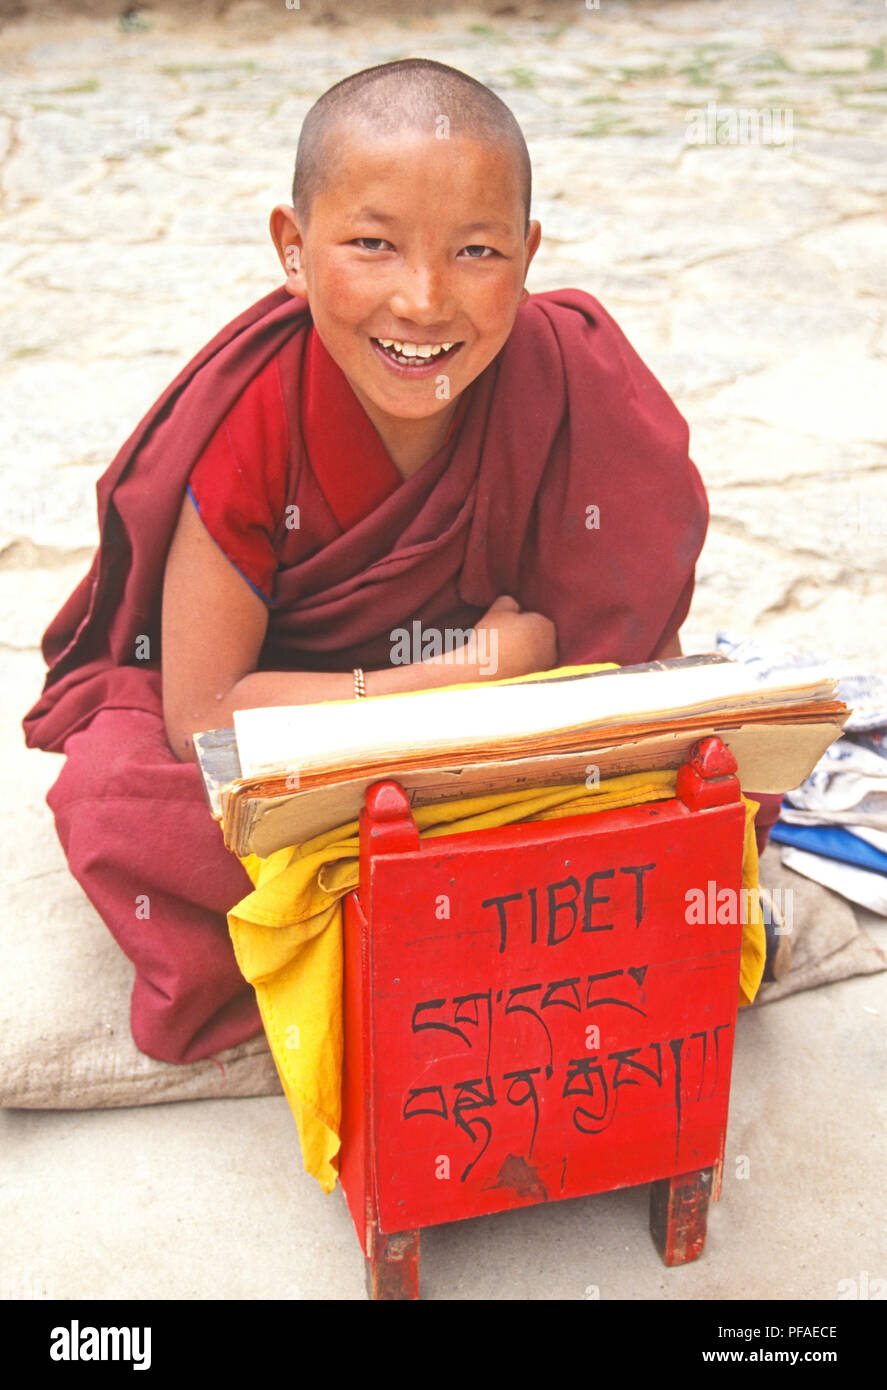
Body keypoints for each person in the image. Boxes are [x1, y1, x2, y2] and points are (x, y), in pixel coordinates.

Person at [22, 59, 782, 1065]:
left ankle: (422, 921)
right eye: (371, 245)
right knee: (119, 797)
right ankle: (489, 922)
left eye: (475, 250)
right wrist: (456, 672)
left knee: (709, 771)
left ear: (527, 255)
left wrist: (547, 713)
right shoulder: (254, 422)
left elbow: (620, 663)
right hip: (310, 731)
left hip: (499, 743)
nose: (422, 301)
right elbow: (201, 714)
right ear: (292, 251)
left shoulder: (565, 376)